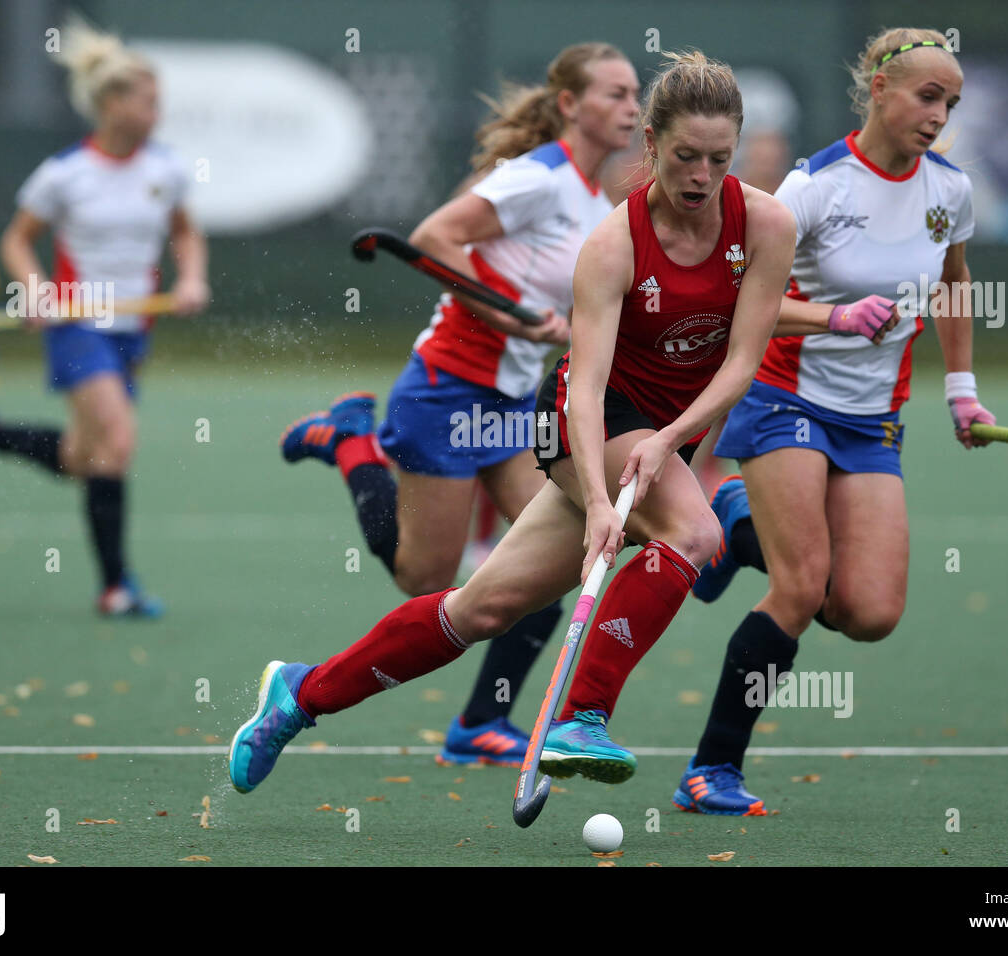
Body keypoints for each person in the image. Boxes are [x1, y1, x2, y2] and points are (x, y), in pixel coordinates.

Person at [227, 50, 796, 798]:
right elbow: (586, 386)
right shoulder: (614, 242)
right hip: (582, 417)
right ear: (651, 146)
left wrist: (670, 441)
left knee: (480, 609)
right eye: (685, 156)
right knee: (694, 533)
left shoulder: (765, 224)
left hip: (664, 429)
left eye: (718, 159)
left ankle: (300, 695)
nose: (699, 175)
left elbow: (741, 363)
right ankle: (582, 719)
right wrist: (597, 498)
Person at [277, 43, 641, 766]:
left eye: (635, 94)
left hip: (511, 404)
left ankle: (479, 723)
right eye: (614, 93)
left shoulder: (595, 202)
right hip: (447, 389)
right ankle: (351, 443)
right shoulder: (536, 178)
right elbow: (434, 237)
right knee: (423, 577)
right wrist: (512, 316)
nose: (631, 107)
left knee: (554, 562)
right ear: (570, 104)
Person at [678, 27, 994, 814]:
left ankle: (732, 523)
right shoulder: (812, 187)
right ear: (879, 91)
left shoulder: (949, 190)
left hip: (873, 418)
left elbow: (954, 284)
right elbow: (739, 302)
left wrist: (961, 386)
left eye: (950, 103)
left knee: (870, 612)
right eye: (927, 96)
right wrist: (834, 316)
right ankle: (712, 768)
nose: (938, 115)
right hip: (786, 399)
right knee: (800, 586)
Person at [0, 14, 209, 616]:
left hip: (133, 327)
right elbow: (15, 240)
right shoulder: (65, 174)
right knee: (119, 440)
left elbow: (186, 236)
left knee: (88, 459)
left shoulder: (165, 169)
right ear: (111, 103)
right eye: (148, 102)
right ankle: (115, 587)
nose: (156, 114)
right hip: (76, 325)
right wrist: (34, 289)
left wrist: (191, 278)